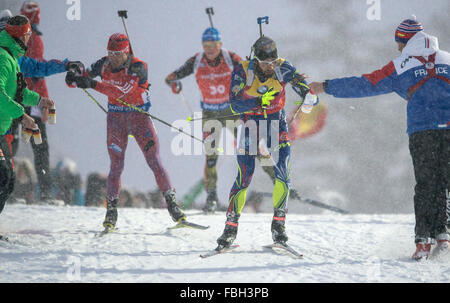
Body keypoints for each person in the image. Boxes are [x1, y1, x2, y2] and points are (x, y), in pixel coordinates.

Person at [309, 17, 450, 260]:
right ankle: (444, 236)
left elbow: (365, 84)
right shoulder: (447, 59)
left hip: (423, 130)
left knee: (427, 183)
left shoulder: (401, 65)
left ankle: (424, 243)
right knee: (444, 182)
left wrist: (325, 86)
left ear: (405, 41)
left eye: (399, 43)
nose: (398, 48)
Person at [66, 33, 187, 230]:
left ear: (127, 51)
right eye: (110, 52)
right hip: (116, 121)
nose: (113, 57)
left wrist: (92, 83)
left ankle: (172, 205)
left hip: (139, 120)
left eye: (118, 53)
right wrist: (73, 75)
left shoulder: (139, 67)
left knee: (154, 160)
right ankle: (111, 210)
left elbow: (121, 91)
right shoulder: (103, 64)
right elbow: (78, 79)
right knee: (116, 165)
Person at [214, 35, 318, 250]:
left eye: (272, 62)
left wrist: (309, 96)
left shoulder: (282, 66)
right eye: (264, 63)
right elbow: (233, 105)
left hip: (275, 123)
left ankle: (278, 227)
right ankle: (230, 229)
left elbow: (300, 83)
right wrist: (257, 101)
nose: (270, 67)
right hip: (252, 123)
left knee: (283, 172)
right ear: (256, 59)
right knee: (245, 174)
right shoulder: (243, 69)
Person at [165, 27, 277, 214]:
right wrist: (174, 84)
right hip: (210, 114)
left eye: (214, 45)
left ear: (220, 44)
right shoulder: (196, 60)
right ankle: (211, 198)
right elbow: (171, 77)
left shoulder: (230, 58)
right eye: (206, 45)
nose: (210, 49)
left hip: (231, 111)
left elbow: (252, 70)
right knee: (211, 158)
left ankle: (278, 179)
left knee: (254, 146)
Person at [0, 15, 54, 237]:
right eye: (27, 34)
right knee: (3, 176)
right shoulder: (3, 58)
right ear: (19, 35)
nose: (30, 38)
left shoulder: (12, 57)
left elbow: (18, 92)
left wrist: (40, 100)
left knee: (8, 180)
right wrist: (22, 116)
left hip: (1, 131)